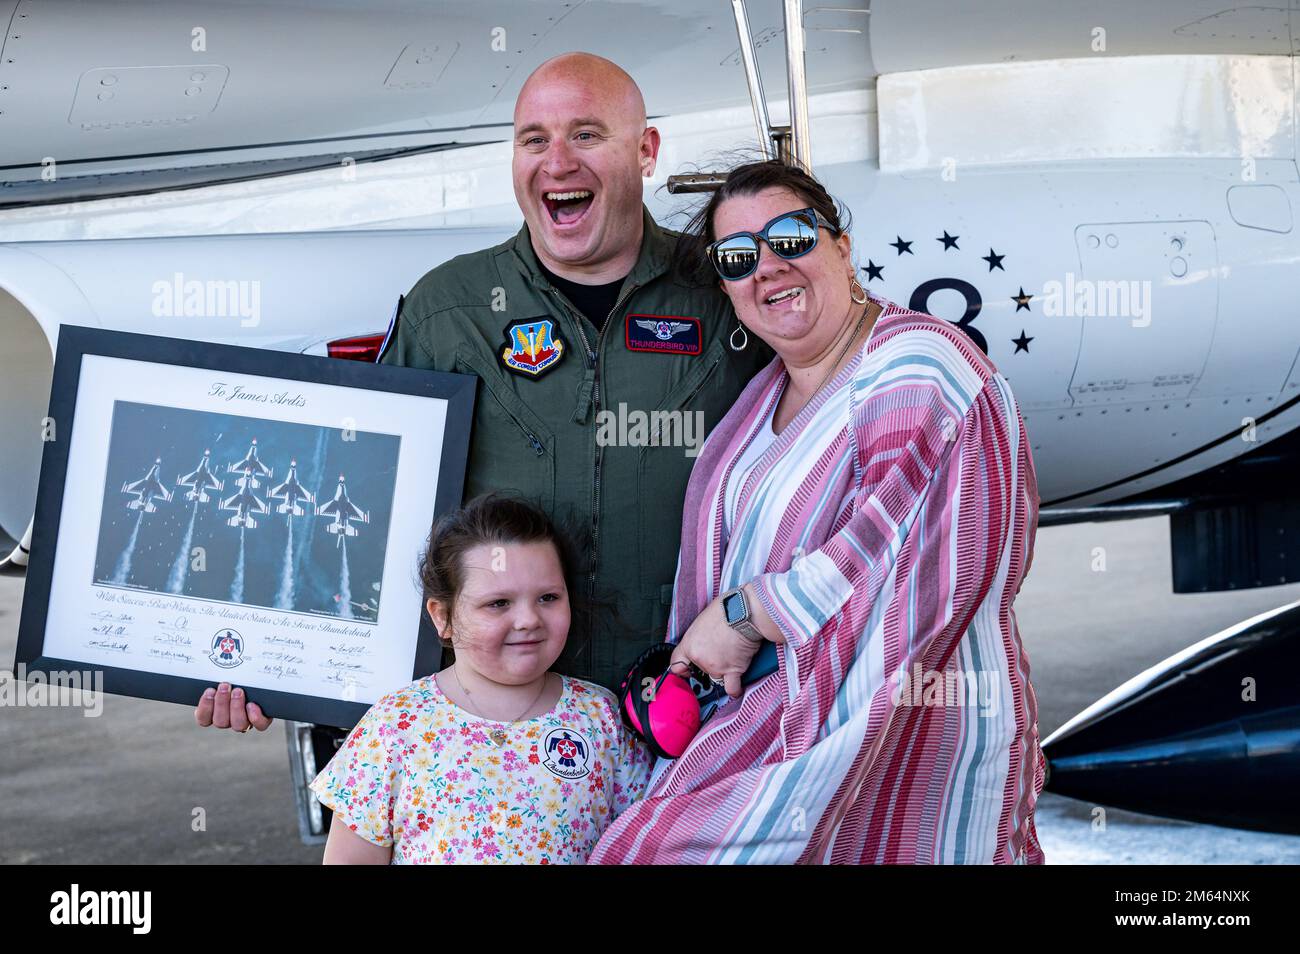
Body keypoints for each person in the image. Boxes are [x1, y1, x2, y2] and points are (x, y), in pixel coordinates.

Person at [194, 52, 772, 733]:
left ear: (645, 151)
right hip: (498, 732)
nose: (557, 162)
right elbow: (357, 504)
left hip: (698, 712)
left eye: (586, 134)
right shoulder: (449, 310)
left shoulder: (728, 293)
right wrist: (275, 659)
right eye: (535, 139)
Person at [588, 160, 1046, 864]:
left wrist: (743, 616)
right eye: (738, 258)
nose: (766, 268)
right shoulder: (760, 399)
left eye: (791, 238)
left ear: (841, 246)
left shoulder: (920, 366)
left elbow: (900, 564)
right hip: (766, 722)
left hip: (912, 748)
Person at [311, 494, 653, 864]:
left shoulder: (601, 717)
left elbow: (642, 846)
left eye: (548, 597)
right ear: (443, 616)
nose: (528, 620)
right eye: (498, 603)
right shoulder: (394, 725)